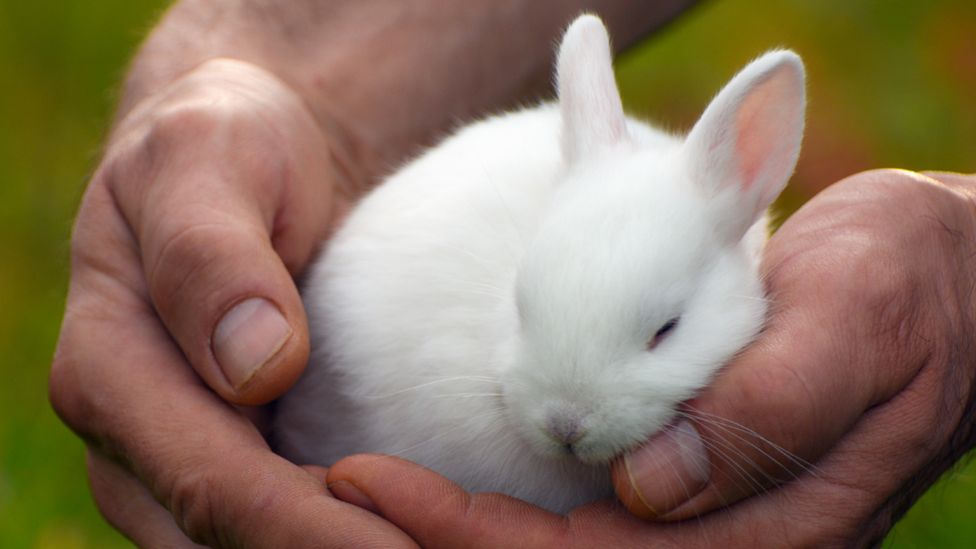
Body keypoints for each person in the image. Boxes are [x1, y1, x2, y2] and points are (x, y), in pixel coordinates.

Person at [49, 1, 976, 546]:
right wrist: (274, 69)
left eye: (659, 334)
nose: (570, 420)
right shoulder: (559, 200)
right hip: (358, 414)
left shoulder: (707, 219)